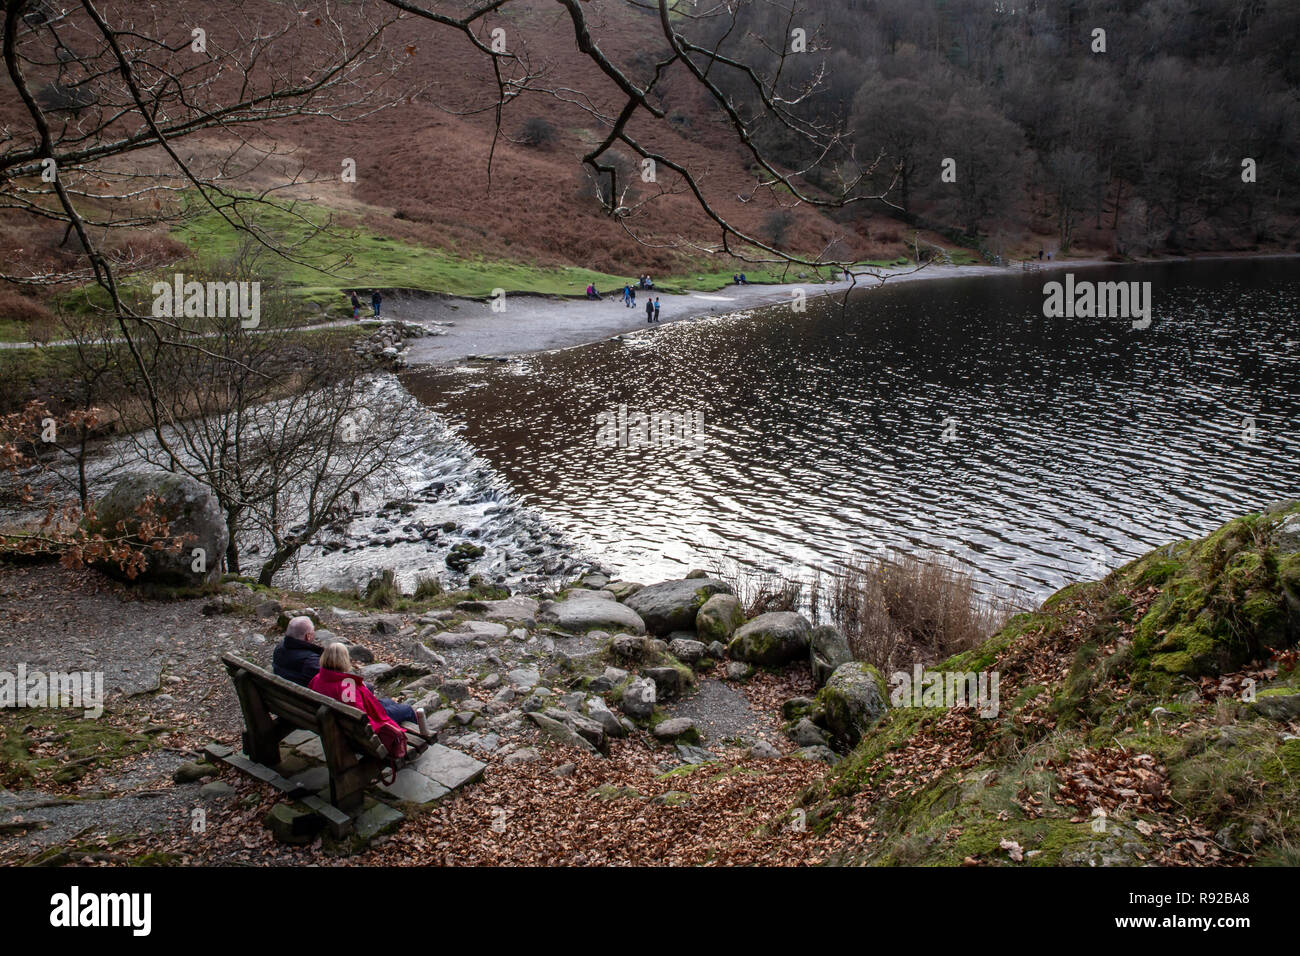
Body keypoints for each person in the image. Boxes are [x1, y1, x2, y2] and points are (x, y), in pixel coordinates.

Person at [310, 642, 429, 736]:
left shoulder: (317, 678)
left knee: (388, 701)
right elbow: (359, 715)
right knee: (407, 709)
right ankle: (420, 738)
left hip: (336, 723)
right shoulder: (347, 686)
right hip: (362, 728)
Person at [272, 616, 322, 686]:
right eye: (313, 631)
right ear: (308, 636)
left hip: (280, 693)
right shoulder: (311, 661)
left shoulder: (279, 648)